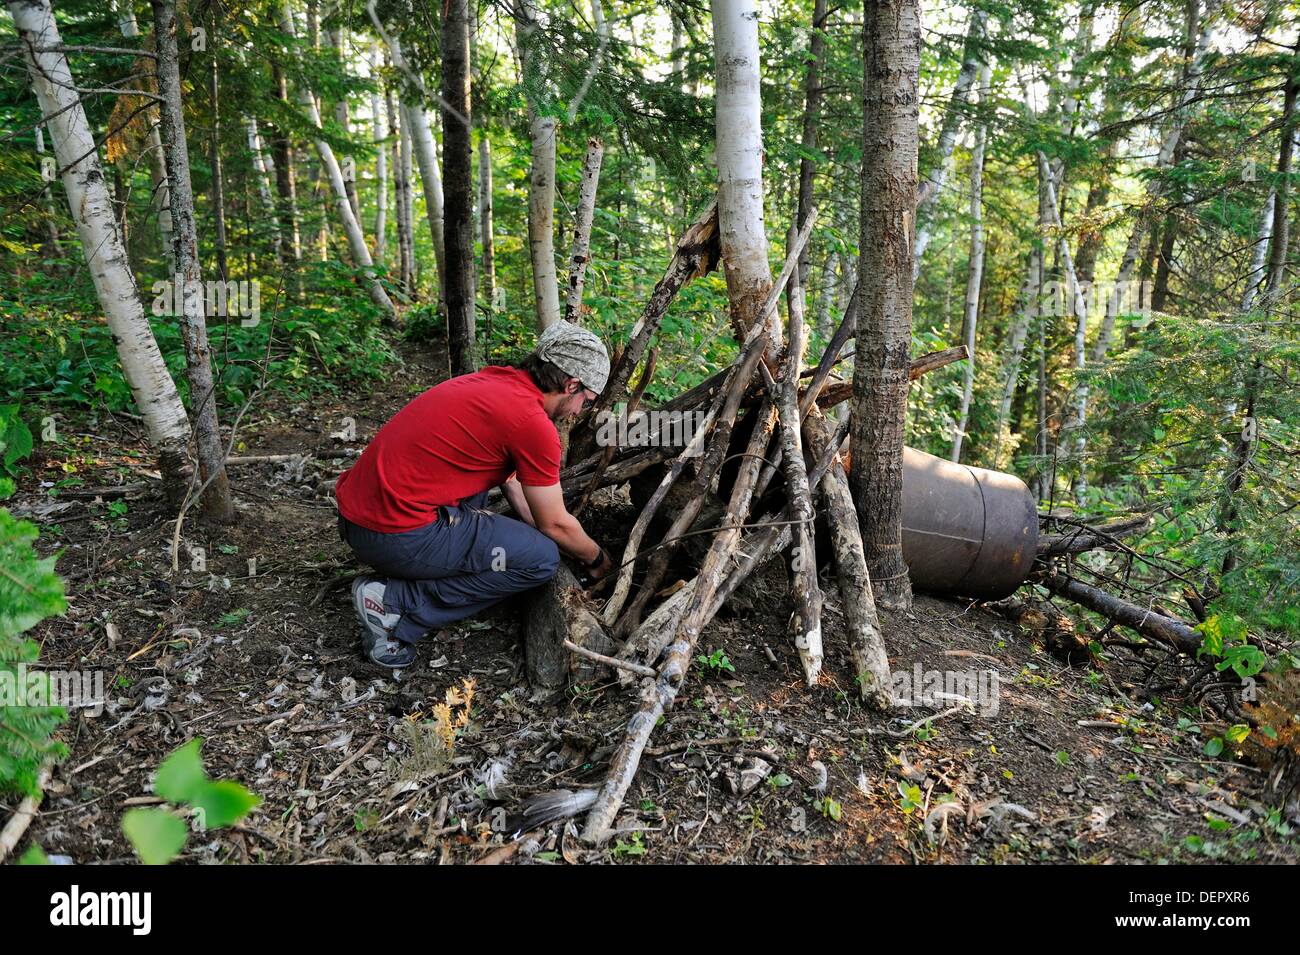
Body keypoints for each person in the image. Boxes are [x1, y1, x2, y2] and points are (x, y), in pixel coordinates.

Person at [335, 321, 615, 667]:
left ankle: (414, 571)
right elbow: (555, 524)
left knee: (495, 513)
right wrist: (597, 560)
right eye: (586, 402)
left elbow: (513, 485)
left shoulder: (495, 383)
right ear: (572, 384)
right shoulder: (532, 423)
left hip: (359, 519)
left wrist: (546, 533)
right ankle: (395, 603)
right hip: (393, 534)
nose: (578, 412)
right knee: (541, 559)